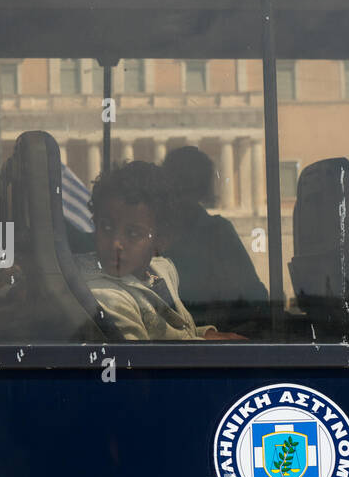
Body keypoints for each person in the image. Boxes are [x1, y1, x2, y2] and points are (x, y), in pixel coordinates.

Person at [76, 160, 243, 340]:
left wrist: (206, 334)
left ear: (161, 241)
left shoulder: (161, 269)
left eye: (133, 233)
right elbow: (139, 360)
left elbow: (177, 331)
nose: (116, 243)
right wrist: (203, 344)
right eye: (107, 227)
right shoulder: (106, 296)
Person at [161, 145, 267, 332]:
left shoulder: (218, 232)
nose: (183, 194)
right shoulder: (150, 235)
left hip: (218, 336)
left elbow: (254, 298)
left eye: (189, 185)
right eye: (180, 184)